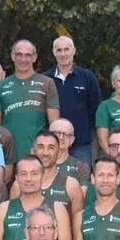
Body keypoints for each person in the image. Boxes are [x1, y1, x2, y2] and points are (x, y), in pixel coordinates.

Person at [0, 39, 61, 157]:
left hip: (38, 154)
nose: (23, 59)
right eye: (19, 54)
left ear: (34, 57)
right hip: (8, 154)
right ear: (12, 56)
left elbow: (54, 125)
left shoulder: (47, 83)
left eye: (28, 55)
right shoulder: (1, 86)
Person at [45, 36, 100, 167]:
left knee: (82, 179)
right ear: (53, 52)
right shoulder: (45, 79)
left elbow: (95, 110)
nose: (63, 54)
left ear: (74, 51)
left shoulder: (87, 77)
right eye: (59, 50)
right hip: (52, 144)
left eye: (67, 49)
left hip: (81, 145)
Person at [26, 131, 83, 218]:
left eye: (51, 147)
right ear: (33, 150)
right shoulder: (19, 185)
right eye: (41, 147)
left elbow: (77, 223)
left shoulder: (71, 185)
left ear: (58, 151)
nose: (45, 153)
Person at [50, 118, 91, 193]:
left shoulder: (81, 167)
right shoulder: (39, 164)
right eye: (57, 133)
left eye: (66, 134)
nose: (61, 137)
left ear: (72, 140)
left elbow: (82, 196)